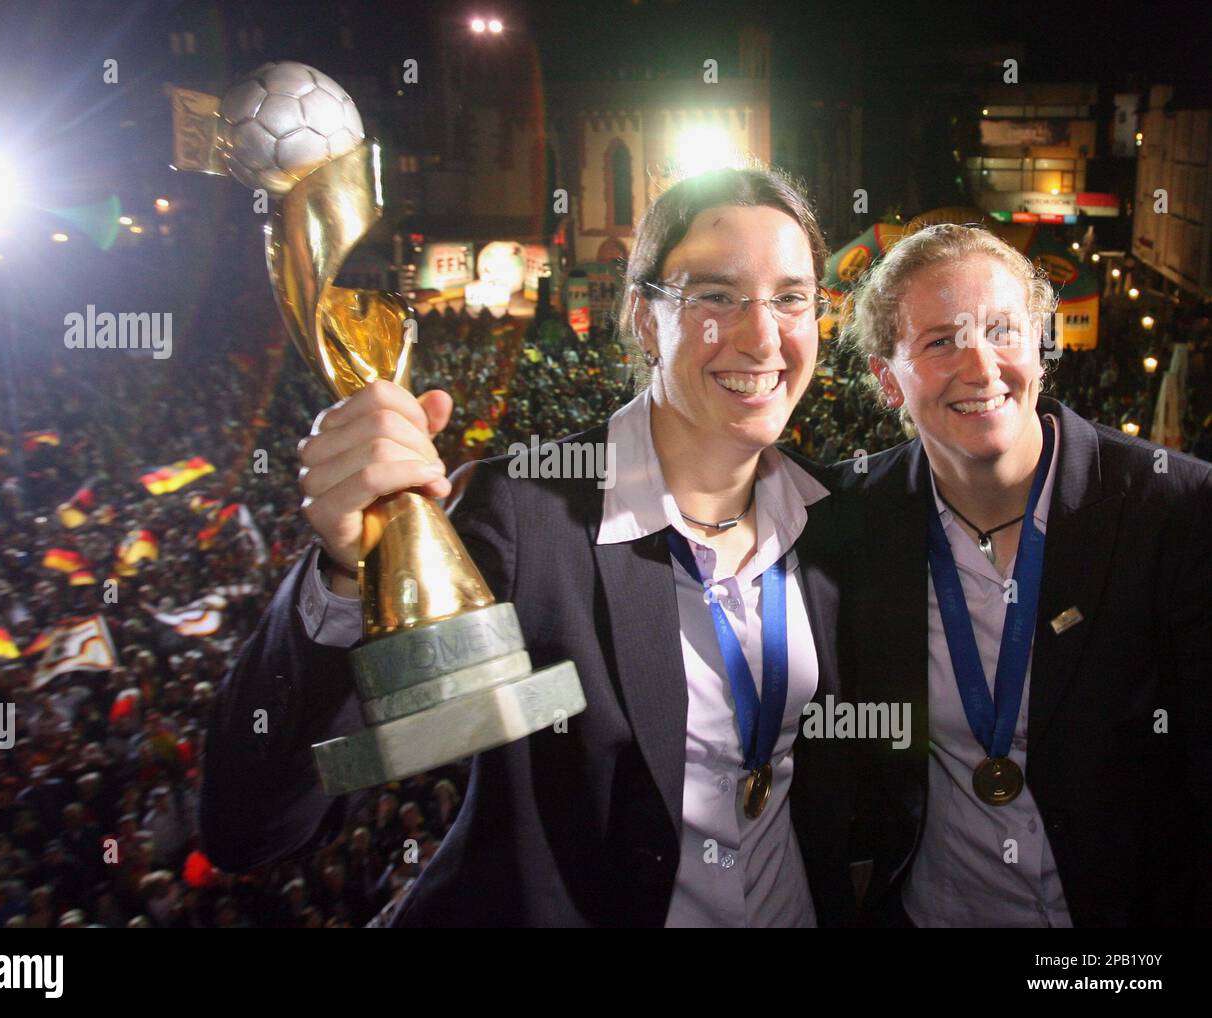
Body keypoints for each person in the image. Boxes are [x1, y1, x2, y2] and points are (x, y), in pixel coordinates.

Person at [200, 166, 863, 926]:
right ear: (645, 319)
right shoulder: (526, 522)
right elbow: (260, 821)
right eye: (715, 296)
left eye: (790, 296)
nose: (762, 334)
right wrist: (352, 576)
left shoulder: (834, 520)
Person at [836, 223, 1211, 926]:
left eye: (1003, 329)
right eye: (940, 340)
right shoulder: (850, 519)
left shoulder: (1175, 511)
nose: (981, 368)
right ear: (888, 380)